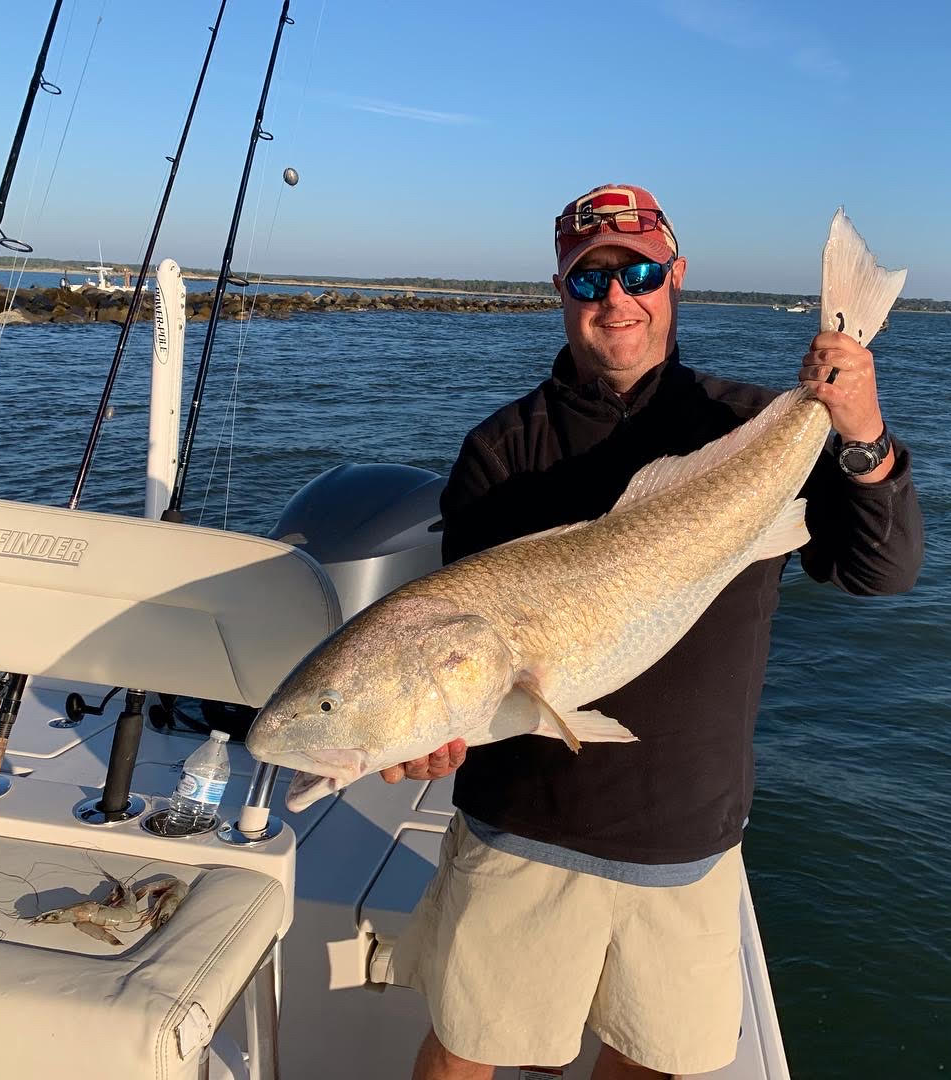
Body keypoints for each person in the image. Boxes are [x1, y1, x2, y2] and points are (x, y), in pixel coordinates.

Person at [385, 184, 924, 1079]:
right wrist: (431, 734)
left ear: (676, 278)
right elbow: (465, 645)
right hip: (524, 824)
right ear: (560, 293)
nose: (616, 300)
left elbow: (881, 570)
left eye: (637, 274)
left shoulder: (751, 426)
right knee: (466, 1049)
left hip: (685, 831)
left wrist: (862, 436)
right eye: (589, 280)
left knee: (646, 1062)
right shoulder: (500, 450)